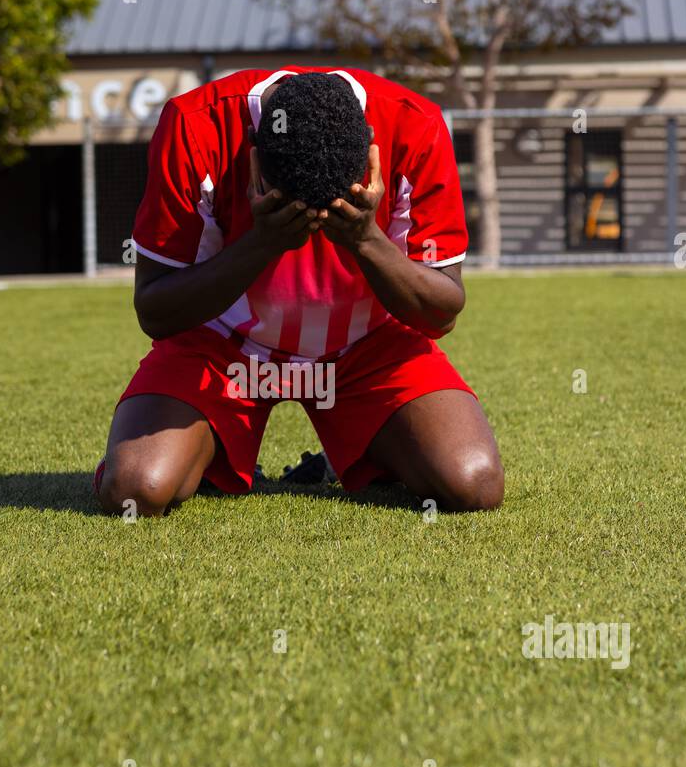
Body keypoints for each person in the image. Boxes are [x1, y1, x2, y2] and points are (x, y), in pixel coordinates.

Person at [95, 66, 503, 516]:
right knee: (137, 488)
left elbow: (442, 313)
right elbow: (155, 310)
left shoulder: (416, 124)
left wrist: (366, 240)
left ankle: (367, 448)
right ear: (253, 157)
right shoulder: (195, 123)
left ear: (371, 150)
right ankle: (209, 450)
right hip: (222, 347)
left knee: (473, 485)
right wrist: (261, 244)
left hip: (366, 346)